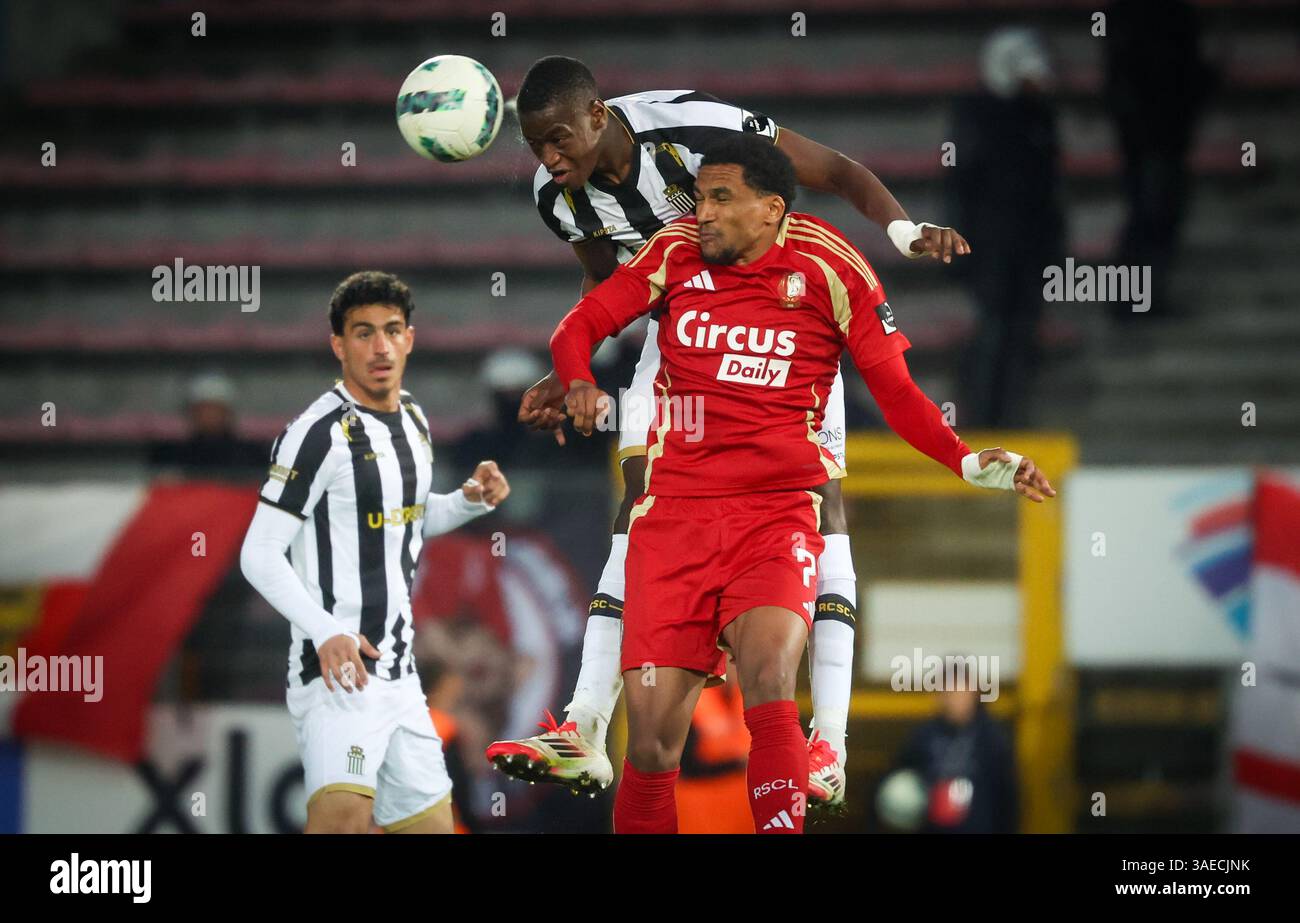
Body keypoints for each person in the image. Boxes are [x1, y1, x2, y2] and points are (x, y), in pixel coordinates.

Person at [487, 55, 972, 810]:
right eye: (535, 149)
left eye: (558, 140)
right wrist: (574, 369)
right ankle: (584, 720)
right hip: (677, 335)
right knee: (640, 499)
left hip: (783, 333)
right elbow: (603, 281)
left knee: (822, 503)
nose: (549, 161)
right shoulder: (559, 195)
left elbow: (835, 169)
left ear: (597, 115)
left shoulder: (693, 129)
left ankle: (830, 743)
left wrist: (904, 231)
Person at [547, 135, 1054, 833]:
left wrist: (965, 459)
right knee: (656, 741)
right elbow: (583, 322)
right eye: (699, 199)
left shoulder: (831, 265)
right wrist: (576, 378)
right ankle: (589, 725)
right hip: (676, 515)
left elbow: (899, 393)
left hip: (778, 513)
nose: (703, 214)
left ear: (771, 209)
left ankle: (822, 757)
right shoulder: (674, 253)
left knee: (770, 684)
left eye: (720, 199)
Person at [239, 270, 510, 834]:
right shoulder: (317, 434)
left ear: (410, 337)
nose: (380, 346)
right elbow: (259, 553)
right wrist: (325, 630)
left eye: (391, 330)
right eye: (363, 333)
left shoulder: (412, 418)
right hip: (339, 674)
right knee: (342, 823)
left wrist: (468, 502)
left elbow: (405, 520)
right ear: (338, 345)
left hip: (401, 677)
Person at [948, 27, 1063, 427]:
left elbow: (1049, 191)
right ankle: (983, 420)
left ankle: (1010, 419)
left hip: (1027, 250)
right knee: (994, 333)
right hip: (991, 250)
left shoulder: (1039, 119)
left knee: (1021, 336)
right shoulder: (978, 116)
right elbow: (961, 189)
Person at [893, 688, 1019, 834]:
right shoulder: (923, 737)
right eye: (950, 693)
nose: (956, 699)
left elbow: (1008, 797)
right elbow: (901, 779)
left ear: (974, 695)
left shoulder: (993, 739)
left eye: (962, 693)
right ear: (941, 697)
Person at [147, 371, 267, 477]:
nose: (209, 415)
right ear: (191, 413)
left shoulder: (251, 456)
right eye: (203, 409)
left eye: (215, 409)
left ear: (228, 413)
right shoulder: (168, 455)